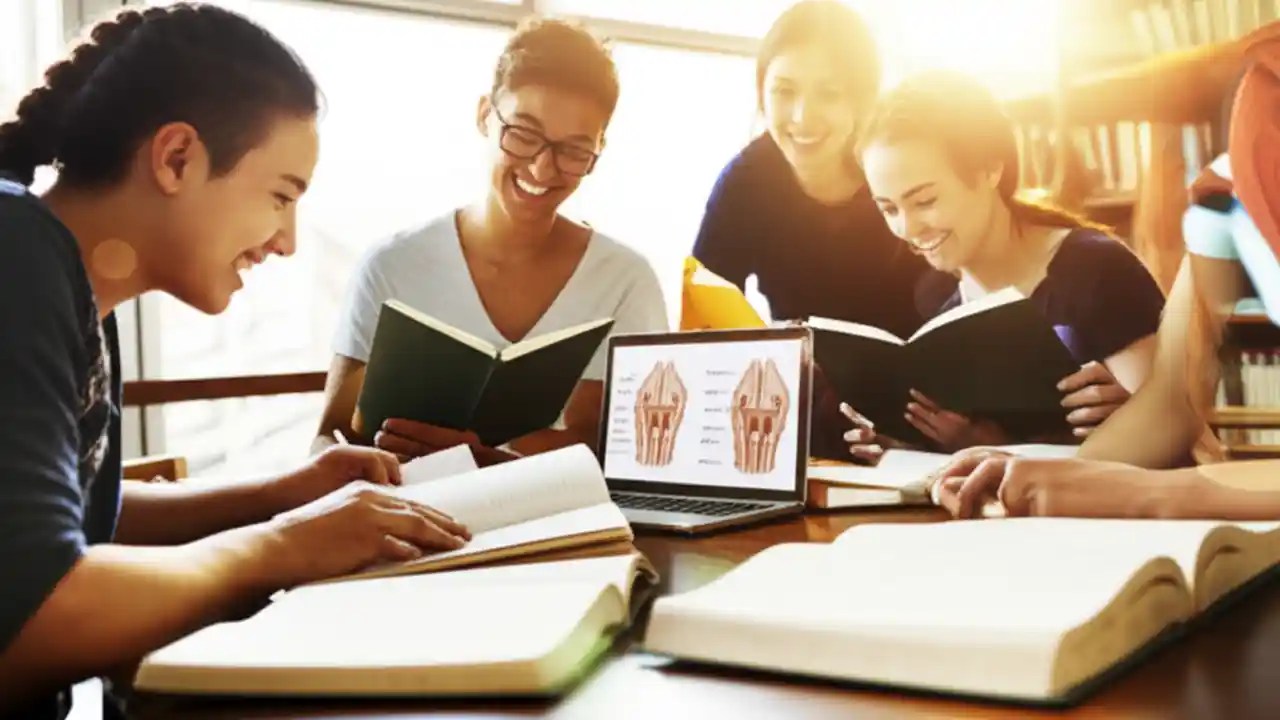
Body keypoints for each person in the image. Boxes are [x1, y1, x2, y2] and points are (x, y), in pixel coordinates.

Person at [0, 6, 467, 718]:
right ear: (176, 157)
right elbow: (39, 612)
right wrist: (281, 545)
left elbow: (69, 521)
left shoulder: (66, 279)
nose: (286, 242)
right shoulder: (17, 259)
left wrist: (281, 495)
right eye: (280, 195)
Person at [932, 36, 1280, 520]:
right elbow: (1172, 399)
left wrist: (1143, 493)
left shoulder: (1091, 266)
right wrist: (1045, 474)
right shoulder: (1262, 101)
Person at [314, 17, 667, 465]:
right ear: (486, 115)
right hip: (402, 517)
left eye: (574, 151)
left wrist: (479, 458)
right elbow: (330, 438)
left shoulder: (625, 280)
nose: (542, 169)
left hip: (556, 525)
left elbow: (612, 452)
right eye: (523, 134)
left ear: (598, 150)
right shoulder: (390, 267)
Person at [841, 71, 1165, 458]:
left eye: (925, 201)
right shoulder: (938, 302)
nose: (907, 229)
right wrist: (899, 444)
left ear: (990, 170)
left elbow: (1171, 436)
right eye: (889, 208)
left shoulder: (1097, 270)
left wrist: (1130, 417)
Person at [691, 0, 942, 339]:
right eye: (784, 91)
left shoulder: (898, 167)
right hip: (802, 382)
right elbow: (703, 320)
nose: (801, 116)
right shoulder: (746, 182)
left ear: (861, 99)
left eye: (829, 93)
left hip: (916, 382)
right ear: (762, 93)